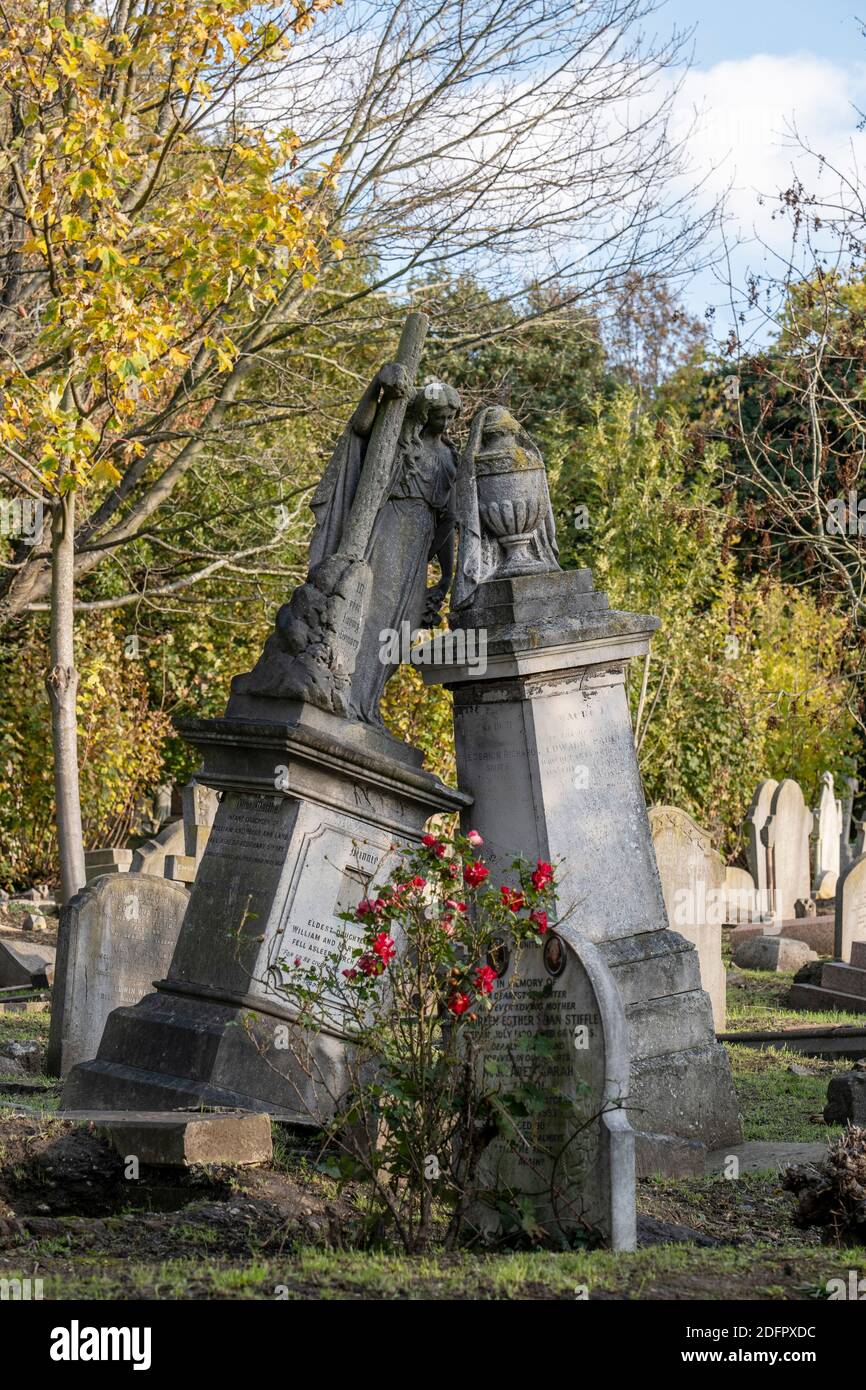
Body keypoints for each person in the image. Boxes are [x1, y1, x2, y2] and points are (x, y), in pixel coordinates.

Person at [309, 365, 461, 723]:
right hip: (387, 530)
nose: (446, 423)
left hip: (418, 547)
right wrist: (377, 384)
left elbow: (449, 518)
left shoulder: (449, 457)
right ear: (424, 412)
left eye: (451, 417)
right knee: (368, 613)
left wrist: (446, 573)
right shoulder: (398, 436)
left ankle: (367, 702)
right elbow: (360, 428)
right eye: (440, 416)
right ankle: (343, 692)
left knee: (403, 627)